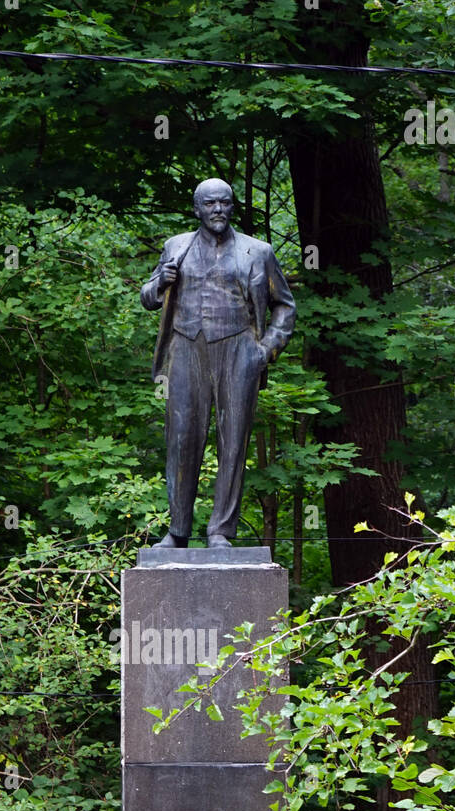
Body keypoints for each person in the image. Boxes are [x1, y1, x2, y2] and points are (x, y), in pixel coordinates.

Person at [141, 178, 296, 548]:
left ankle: (221, 531)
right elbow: (148, 298)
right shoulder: (175, 247)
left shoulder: (257, 251)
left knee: (233, 443)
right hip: (186, 348)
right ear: (197, 209)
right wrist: (160, 282)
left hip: (239, 348)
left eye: (225, 203)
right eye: (210, 204)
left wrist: (264, 352)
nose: (218, 210)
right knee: (181, 439)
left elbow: (285, 307)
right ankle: (178, 530)